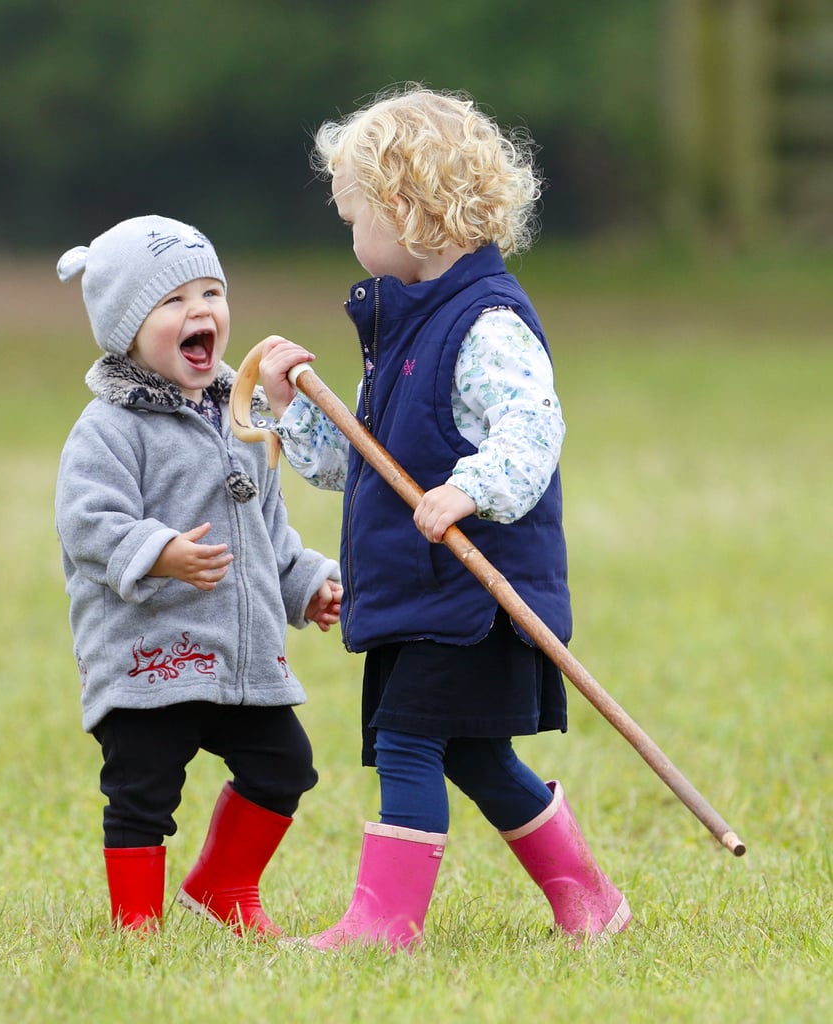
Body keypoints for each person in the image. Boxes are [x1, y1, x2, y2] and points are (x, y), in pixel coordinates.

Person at [258, 87, 631, 952]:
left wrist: (471, 489)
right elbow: (351, 463)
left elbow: (533, 428)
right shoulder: (402, 327)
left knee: (408, 742)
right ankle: (588, 898)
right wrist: (293, 406)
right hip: (421, 594)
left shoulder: (487, 322)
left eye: (353, 217)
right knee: (474, 754)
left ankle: (385, 924)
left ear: (399, 209)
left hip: (471, 600)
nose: (349, 236)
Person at [54, 214, 342, 935]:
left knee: (285, 767)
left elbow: (267, 531)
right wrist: (159, 552)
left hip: (239, 654)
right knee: (142, 791)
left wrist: (306, 583)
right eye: (173, 301)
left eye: (211, 292)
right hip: (148, 656)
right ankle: (137, 924)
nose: (201, 311)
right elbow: (88, 523)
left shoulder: (239, 419)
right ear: (126, 328)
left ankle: (223, 885)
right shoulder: (109, 429)